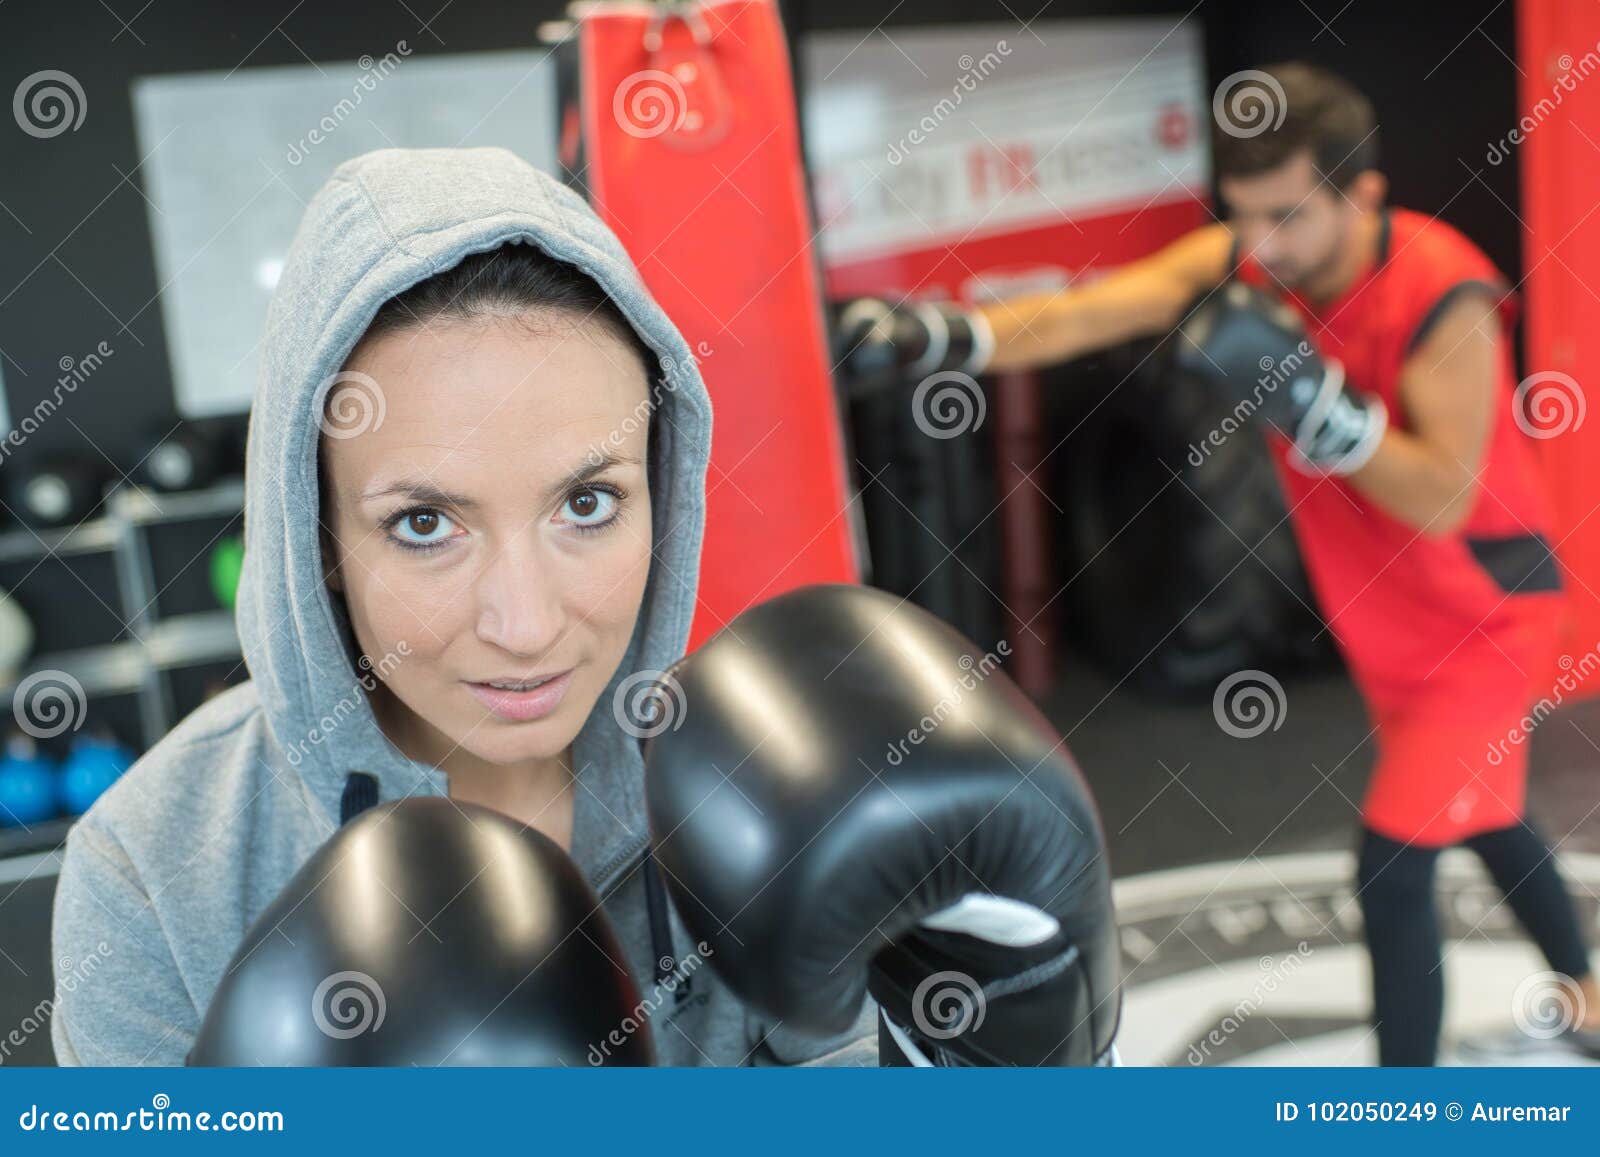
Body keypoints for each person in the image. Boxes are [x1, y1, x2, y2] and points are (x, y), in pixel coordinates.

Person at [839, 61, 1600, 1066]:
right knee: (1486, 814)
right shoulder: (1252, 260)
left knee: (1392, 861)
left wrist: (1307, 399)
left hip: (1482, 614)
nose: (1262, 245)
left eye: (1287, 216)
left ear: (1361, 194)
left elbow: (1441, 496)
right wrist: (948, 334)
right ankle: (1586, 988)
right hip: (1386, 618)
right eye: (1245, 218)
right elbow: (1095, 310)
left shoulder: (1438, 288)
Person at [49, 146, 876, 1066]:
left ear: (663, 494)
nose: (525, 626)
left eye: (587, 503)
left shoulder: (762, 786)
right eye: (425, 522)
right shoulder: (151, 875)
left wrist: (990, 1031)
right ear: (318, 535)